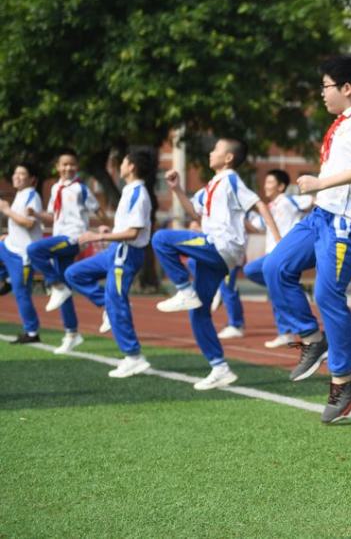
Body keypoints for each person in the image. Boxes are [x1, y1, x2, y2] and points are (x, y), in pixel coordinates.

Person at [262, 54, 351, 424]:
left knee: (327, 293)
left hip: (350, 222)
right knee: (275, 266)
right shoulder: (342, 124)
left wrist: (320, 183)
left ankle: (344, 379)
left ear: (347, 88)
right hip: (321, 216)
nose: (321, 93)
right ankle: (311, 337)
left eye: (326, 86)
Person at [152, 138, 280, 390]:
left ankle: (183, 289)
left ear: (229, 158)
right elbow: (194, 212)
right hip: (216, 256)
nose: (211, 152)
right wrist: (177, 190)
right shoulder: (212, 185)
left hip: (220, 246)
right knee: (198, 312)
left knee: (161, 238)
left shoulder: (231, 179)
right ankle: (220, 367)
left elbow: (259, 205)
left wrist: (279, 242)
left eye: (216, 150)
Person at [64, 150, 154, 377]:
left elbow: (133, 233)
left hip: (126, 254)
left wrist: (98, 236)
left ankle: (134, 356)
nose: (119, 165)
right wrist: (110, 230)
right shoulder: (129, 191)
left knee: (117, 299)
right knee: (73, 273)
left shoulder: (139, 194)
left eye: (122, 161)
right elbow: (126, 227)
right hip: (116, 251)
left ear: (131, 167)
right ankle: (106, 306)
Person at [27, 148, 101, 352]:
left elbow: (97, 210)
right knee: (66, 287)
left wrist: (103, 228)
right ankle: (72, 333)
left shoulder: (81, 189)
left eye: (72, 164)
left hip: (73, 238)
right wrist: (36, 214)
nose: (68, 167)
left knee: (34, 250)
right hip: (60, 237)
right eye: (64, 164)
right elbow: (54, 216)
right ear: (57, 167)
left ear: (77, 167)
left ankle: (56, 285)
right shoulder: (55, 189)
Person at [242, 169, 313, 348]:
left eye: (270, 182)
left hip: (287, 256)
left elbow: (311, 200)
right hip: (272, 256)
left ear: (281, 186)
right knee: (274, 288)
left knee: (254, 272)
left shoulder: (288, 201)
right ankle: (286, 333)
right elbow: (257, 227)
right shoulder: (270, 207)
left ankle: (298, 330)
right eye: (265, 182)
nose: (266, 186)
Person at [0, 162, 44, 343]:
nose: (16, 176)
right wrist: (7, 236)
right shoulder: (20, 195)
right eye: (15, 173)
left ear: (32, 179)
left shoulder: (32, 196)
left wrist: (6, 210)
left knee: (21, 294)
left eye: (22, 174)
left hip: (22, 256)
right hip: (9, 246)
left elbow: (29, 223)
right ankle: (5, 279)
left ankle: (32, 332)